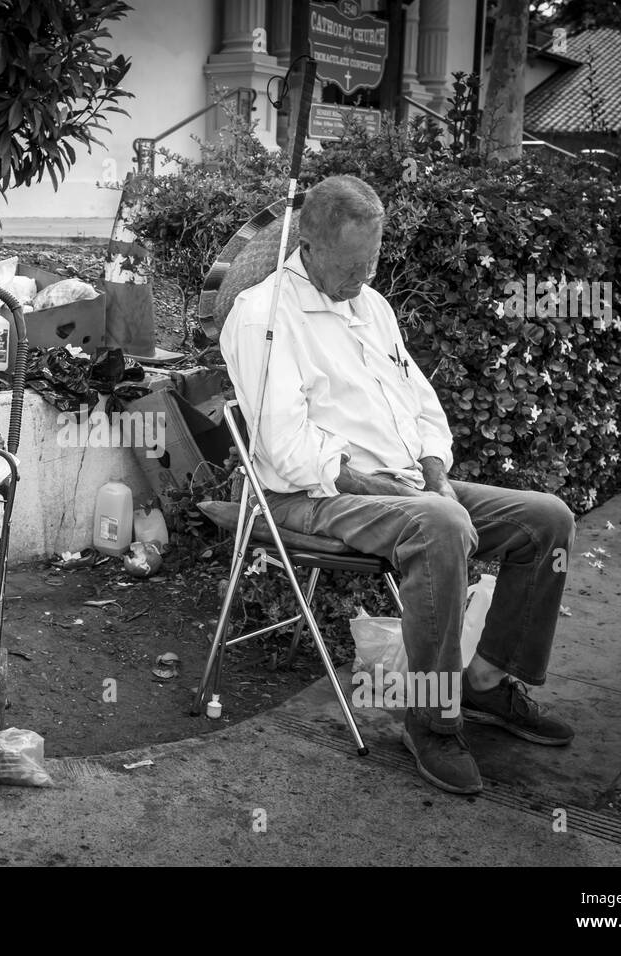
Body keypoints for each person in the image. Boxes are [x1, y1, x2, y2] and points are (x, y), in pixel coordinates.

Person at [220, 174, 576, 795]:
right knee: (441, 526)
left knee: (547, 521)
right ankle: (430, 719)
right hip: (315, 496)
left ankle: (484, 682)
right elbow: (285, 447)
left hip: (407, 487)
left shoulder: (373, 307)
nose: (364, 275)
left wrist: (434, 475)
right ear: (310, 242)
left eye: (374, 259)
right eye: (353, 263)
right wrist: (409, 496)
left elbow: (422, 403)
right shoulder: (264, 317)